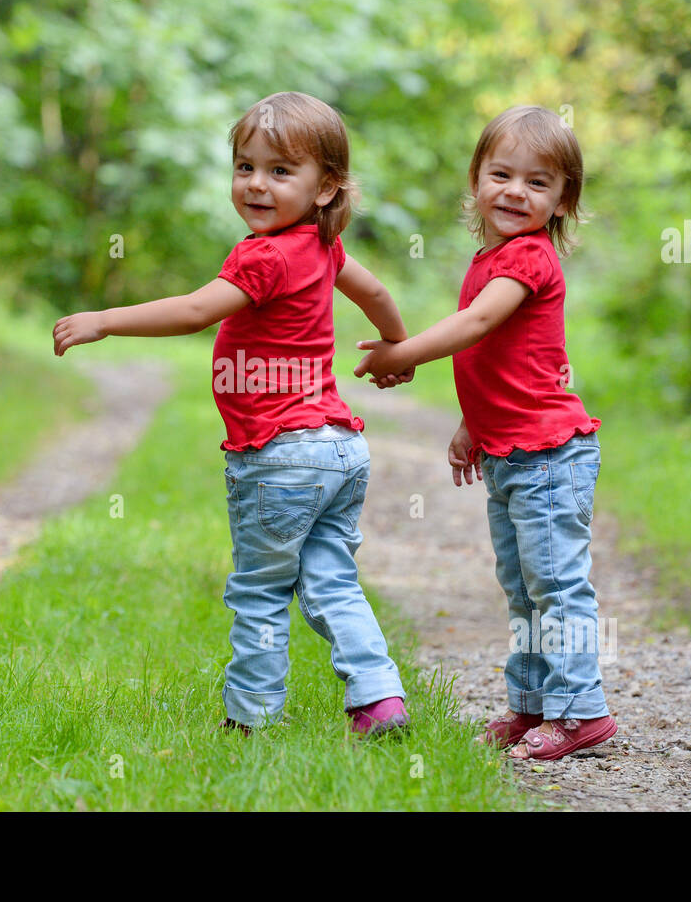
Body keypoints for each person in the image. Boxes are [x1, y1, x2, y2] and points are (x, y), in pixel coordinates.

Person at [54, 91, 411, 737]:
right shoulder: (321, 247)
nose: (255, 184)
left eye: (280, 171)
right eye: (244, 166)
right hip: (338, 450)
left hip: (279, 456)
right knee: (331, 580)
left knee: (261, 591)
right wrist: (397, 347)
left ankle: (251, 718)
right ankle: (379, 696)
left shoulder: (262, 255)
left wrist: (105, 320)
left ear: (327, 186)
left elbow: (195, 311)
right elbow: (377, 291)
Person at [352, 105, 617, 760]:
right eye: (501, 173)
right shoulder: (490, 257)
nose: (515, 191)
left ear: (563, 200)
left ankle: (582, 710)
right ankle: (531, 705)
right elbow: (506, 358)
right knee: (525, 587)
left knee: (556, 587)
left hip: (551, 457)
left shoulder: (529, 259)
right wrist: (475, 422)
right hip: (513, 454)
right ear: (475, 179)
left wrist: (403, 351)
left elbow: (473, 326)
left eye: (537, 182)